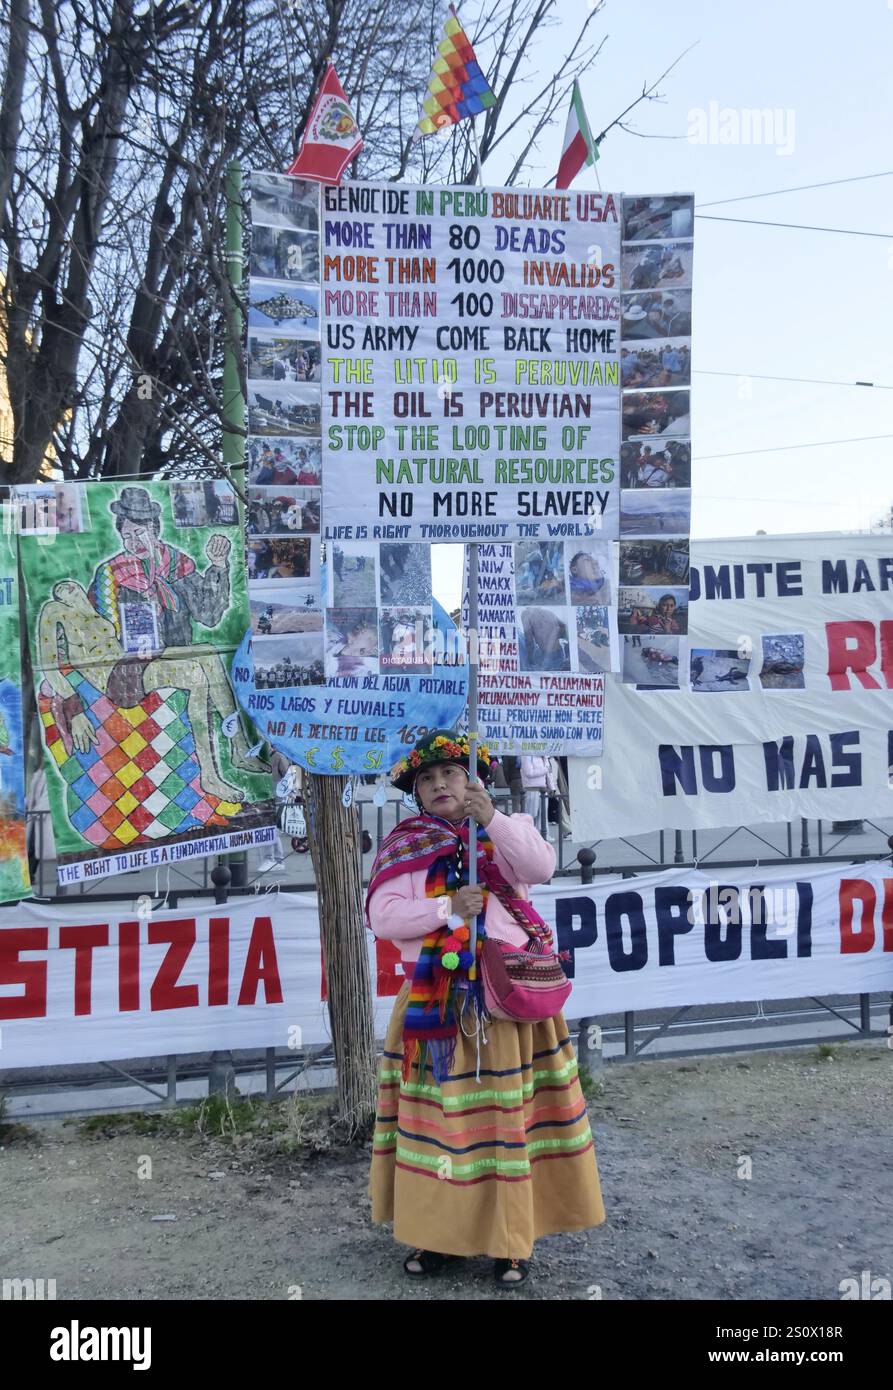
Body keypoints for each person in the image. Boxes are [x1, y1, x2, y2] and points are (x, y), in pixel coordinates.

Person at [367, 731, 605, 1285]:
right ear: (417, 794)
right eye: (426, 780)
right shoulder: (406, 844)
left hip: (508, 1002)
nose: (438, 785)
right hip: (436, 1006)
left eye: (449, 773)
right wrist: (446, 907)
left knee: (509, 1122)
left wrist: (492, 819)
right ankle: (438, 1237)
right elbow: (384, 916)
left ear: (474, 778)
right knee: (441, 1127)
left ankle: (511, 1240)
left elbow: (541, 867)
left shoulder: (509, 829)